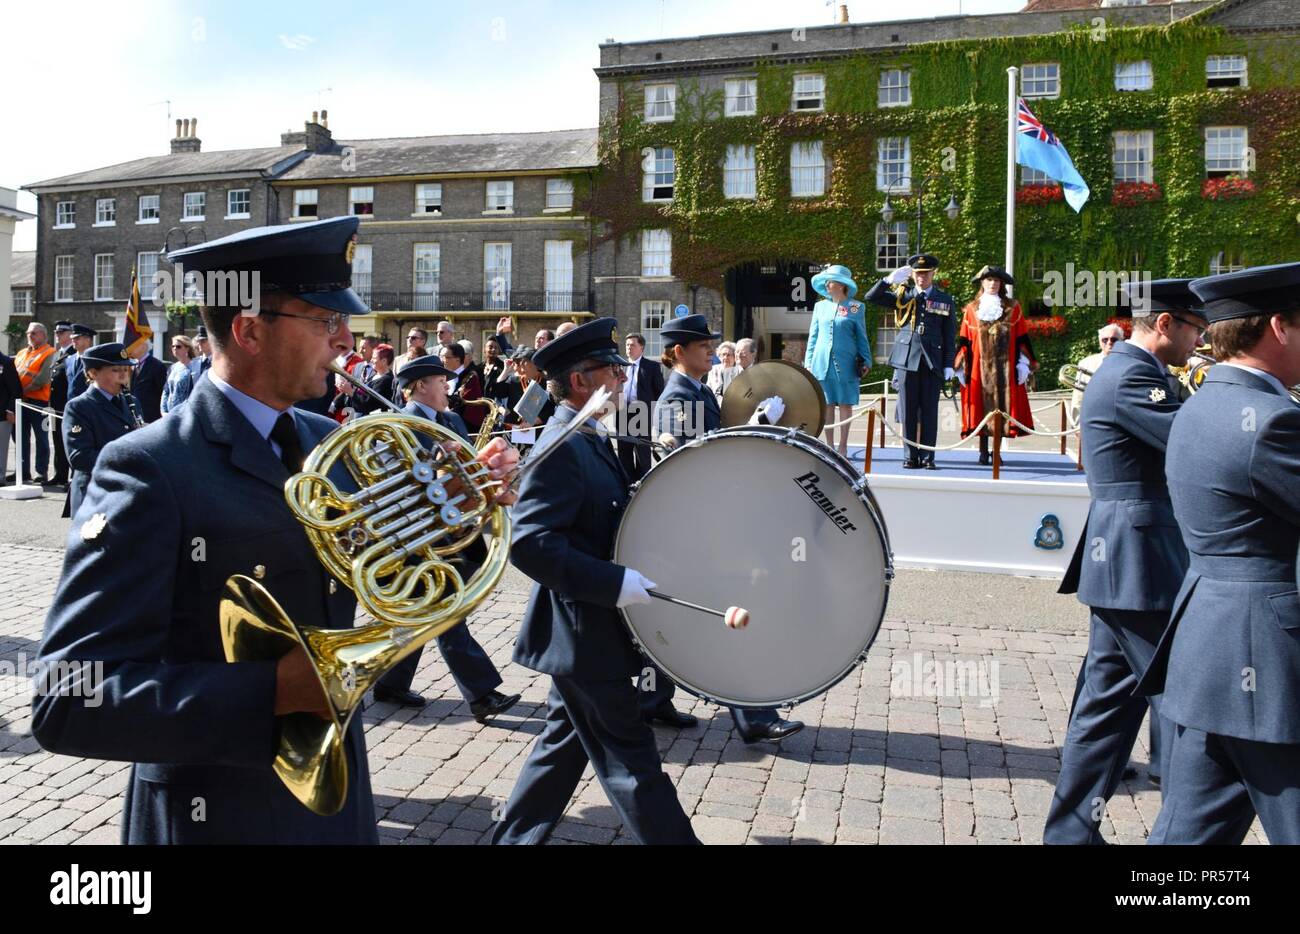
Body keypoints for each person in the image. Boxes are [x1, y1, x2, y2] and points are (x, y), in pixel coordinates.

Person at [32, 215, 520, 844]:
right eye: (325, 321)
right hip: (219, 813)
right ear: (249, 330)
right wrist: (271, 690)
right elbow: (68, 696)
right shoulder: (149, 466)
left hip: (336, 796)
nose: (345, 340)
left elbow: (398, 577)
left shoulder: (328, 442)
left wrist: (459, 511)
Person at [491, 317, 699, 845]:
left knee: (561, 746)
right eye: (613, 369)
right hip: (583, 632)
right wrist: (614, 583)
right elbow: (531, 543)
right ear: (581, 380)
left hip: (582, 631)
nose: (623, 378)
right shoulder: (564, 443)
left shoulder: (587, 433)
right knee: (632, 762)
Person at [1141, 262, 1300, 845]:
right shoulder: (1274, 421)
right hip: (1270, 659)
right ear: (1279, 328)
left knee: (1188, 839)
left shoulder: (1201, 406)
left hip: (1209, 648)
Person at [1045, 279, 1208, 845]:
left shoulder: (1140, 373)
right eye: (1194, 328)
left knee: (1106, 711)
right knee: (1187, 705)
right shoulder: (1134, 375)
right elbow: (1199, 442)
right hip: (1140, 563)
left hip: (1130, 562)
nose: (1198, 340)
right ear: (1164, 323)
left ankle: (1069, 833)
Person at [652, 314, 800, 744]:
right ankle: (753, 716)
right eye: (702, 346)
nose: (711, 351)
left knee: (671, 616)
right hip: (695, 530)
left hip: (703, 524)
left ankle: (651, 701)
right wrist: (756, 428)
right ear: (679, 352)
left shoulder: (696, 391)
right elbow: (691, 464)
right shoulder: (676, 400)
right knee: (730, 616)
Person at [368, 356, 522, 720]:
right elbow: (392, 484)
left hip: (458, 530)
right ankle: (482, 694)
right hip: (421, 536)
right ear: (420, 385)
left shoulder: (451, 420)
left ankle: (391, 682)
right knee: (447, 612)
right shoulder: (399, 424)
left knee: (426, 611)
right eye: (441, 381)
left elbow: (471, 470)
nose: (448, 388)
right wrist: (433, 465)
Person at [864, 253, 957, 469]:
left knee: (929, 412)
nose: (921, 277)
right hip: (906, 359)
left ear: (933, 273)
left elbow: (949, 334)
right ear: (913, 274)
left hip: (932, 360)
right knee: (907, 410)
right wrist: (887, 281)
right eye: (917, 273)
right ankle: (910, 455)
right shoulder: (903, 295)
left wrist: (948, 364)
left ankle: (927, 456)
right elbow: (871, 297)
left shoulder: (945, 300)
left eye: (925, 273)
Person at [953, 266, 1038, 466]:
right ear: (982, 283)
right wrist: (959, 365)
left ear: (1001, 285)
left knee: (1001, 408)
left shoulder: (1012, 307)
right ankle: (983, 451)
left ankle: (996, 451)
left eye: (996, 281)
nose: (992, 284)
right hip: (978, 368)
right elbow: (964, 340)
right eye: (989, 280)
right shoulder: (971, 309)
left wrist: (1024, 363)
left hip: (1005, 369)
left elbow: (1022, 337)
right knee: (981, 408)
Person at [60, 342, 140, 518]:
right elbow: (80, 458)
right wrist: (128, 459)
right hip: (95, 494)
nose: (123, 375)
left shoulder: (131, 401)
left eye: (126, 370)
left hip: (126, 492)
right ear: (93, 373)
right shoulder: (79, 407)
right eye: (115, 370)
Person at [806, 264, 873, 458]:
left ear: (842, 285)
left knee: (845, 403)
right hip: (821, 363)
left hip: (846, 362)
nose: (827, 284)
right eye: (826, 281)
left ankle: (843, 446)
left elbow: (862, 336)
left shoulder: (856, 307)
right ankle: (829, 446)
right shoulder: (820, 307)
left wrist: (867, 360)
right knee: (826, 404)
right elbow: (813, 336)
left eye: (831, 281)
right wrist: (808, 362)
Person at [619, 332, 665, 482]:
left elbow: (659, 391)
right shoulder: (619, 366)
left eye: (632, 345)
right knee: (624, 454)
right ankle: (627, 486)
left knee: (642, 455)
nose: (629, 348)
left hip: (642, 414)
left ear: (642, 347)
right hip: (623, 414)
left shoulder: (651, 367)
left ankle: (642, 486)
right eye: (627, 345)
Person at [14, 321, 56, 484]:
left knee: (42, 439)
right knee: (20, 438)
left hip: (40, 402)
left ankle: (41, 472)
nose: (30, 336)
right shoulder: (22, 353)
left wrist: (20, 392)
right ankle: (23, 471)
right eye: (28, 333)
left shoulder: (51, 352)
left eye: (34, 333)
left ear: (44, 335)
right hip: (21, 402)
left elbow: (42, 379)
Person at [1069, 324, 1124, 424]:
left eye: (1114, 339)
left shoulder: (1130, 363)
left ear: (1121, 341)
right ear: (1099, 342)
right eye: (1105, 339)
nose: (1109, 342)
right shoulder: (1086, 364)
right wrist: (1077, 425)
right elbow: (1078, 398)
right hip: (1093, 421)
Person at [47, 321, 76, 487]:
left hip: (66, 405)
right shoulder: (58, 354)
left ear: (70, 334)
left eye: (62, 332)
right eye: (57, 332)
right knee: (57, 440)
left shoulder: (73, 354)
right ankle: (60, 474)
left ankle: (71, 477)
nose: (58, 335)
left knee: (68, 440)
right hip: (54, 405)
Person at [441, 341, 486, 434]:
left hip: (462, 428)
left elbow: (466, 406)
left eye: (446, 357)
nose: (442, 360)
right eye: (442, 357)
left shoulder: (470, 377)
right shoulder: (443, 376)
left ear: (457, 359)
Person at [0, 345, 24, 483]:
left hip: (2, 414)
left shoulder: (6, 362)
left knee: (1, 448)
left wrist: (10, 410)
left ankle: (0, 477)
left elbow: (16, 390)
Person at [128, 341, 167, 423]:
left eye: (133, 345)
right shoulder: (135, 365)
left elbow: (163, 392)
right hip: (138, 417)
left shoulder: (157, 366)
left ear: (143, 346)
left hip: (152, 418)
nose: (130, 349)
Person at [161, 336, 196, 414]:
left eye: (178, 346)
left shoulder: (195, 366)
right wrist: (164, 411)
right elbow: (166, 391)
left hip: (185, 413)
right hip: (169, 414)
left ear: (187, 348)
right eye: (173, 346)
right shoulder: (172, 367)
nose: (175, 348)